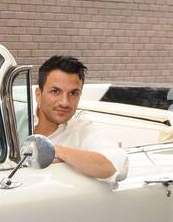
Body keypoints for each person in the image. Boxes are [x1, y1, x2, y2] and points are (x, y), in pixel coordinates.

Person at [27, 54, 128, 183]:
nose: (65, 102)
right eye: (55, 91)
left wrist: (53, 150)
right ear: (38, 94)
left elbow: (115, 166)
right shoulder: (15, 120)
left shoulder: (81, 127)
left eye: (73, 93)